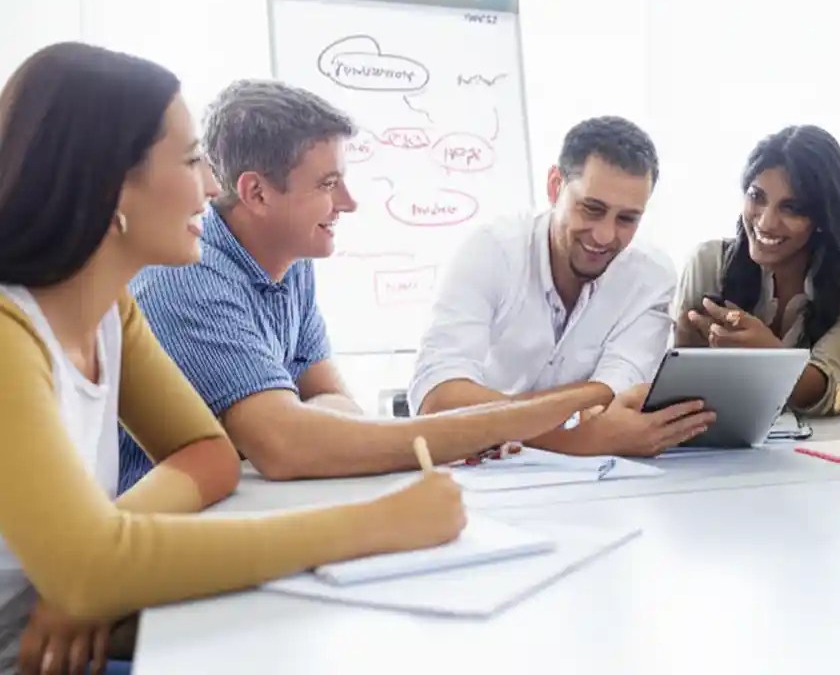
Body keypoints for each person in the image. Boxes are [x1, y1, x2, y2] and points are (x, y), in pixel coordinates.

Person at [0, 42, 512, 675]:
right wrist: (377, 524)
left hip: (84, 637)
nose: (212, 187)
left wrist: (97, 553)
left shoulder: (109, 312)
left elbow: (208, 453)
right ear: (109, 188)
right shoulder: (8, 333)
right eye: (191, 161)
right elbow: (92, 567)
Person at [117, 80, 610, 490]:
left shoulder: (290, 261)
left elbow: (336, 406)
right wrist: (490, 426)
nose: (349, 202)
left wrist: (308, 418)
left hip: (250, 506)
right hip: (167, 545)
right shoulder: (188, 276)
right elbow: (288, 446)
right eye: (328, 184)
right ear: (257, 193)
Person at [410, 116, 716, 457]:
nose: (604, 236)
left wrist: (496, 422)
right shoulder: (491, 250)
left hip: (585, 487)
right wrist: (575, 438)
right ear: (555, 186)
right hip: (480, 480)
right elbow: (437, 401)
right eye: (591, 209)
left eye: (627, 219)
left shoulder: (650, 276)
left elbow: (612, 409)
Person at [672, 125, 840, 416]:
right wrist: (684, 338)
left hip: (819, 443)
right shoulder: (708, 262)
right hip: (719, 441)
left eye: (792, 208)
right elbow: (680, 393)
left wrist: (769, 355)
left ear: (823, 216)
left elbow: (830, 390)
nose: (766, 222)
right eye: (756, 197)